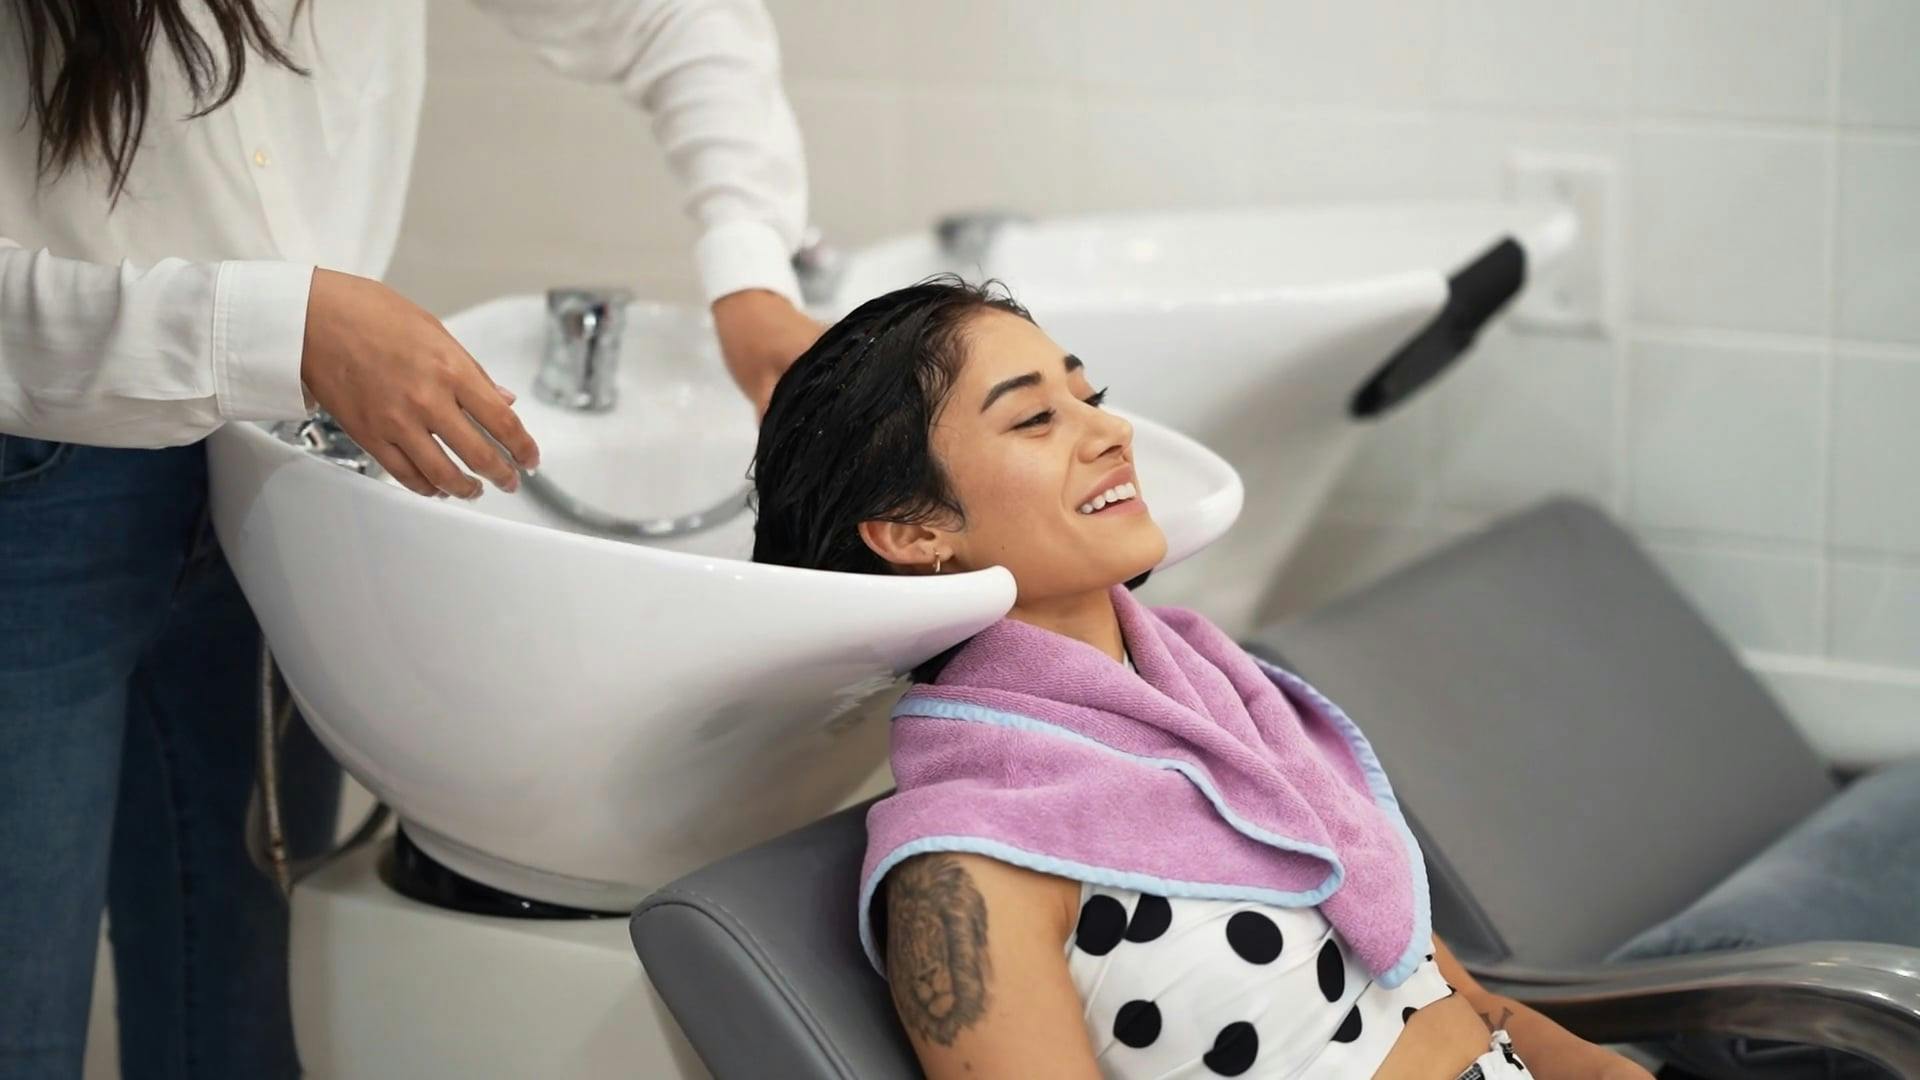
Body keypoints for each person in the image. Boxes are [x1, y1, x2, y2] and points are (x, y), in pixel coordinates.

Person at [0, 1, 819, 1076]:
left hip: (271, 467)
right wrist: (281, 325)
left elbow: (671, 13)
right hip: (35, 471)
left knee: (238, 1003)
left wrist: (752, 275)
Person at [749, 277, 1658, 1079]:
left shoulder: (1223, 711)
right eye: (1035, 417)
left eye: (1088, 395)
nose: (1110, 431)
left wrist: (1588, 1069)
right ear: (913, 532)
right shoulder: (970, 865)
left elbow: (1425, 984)